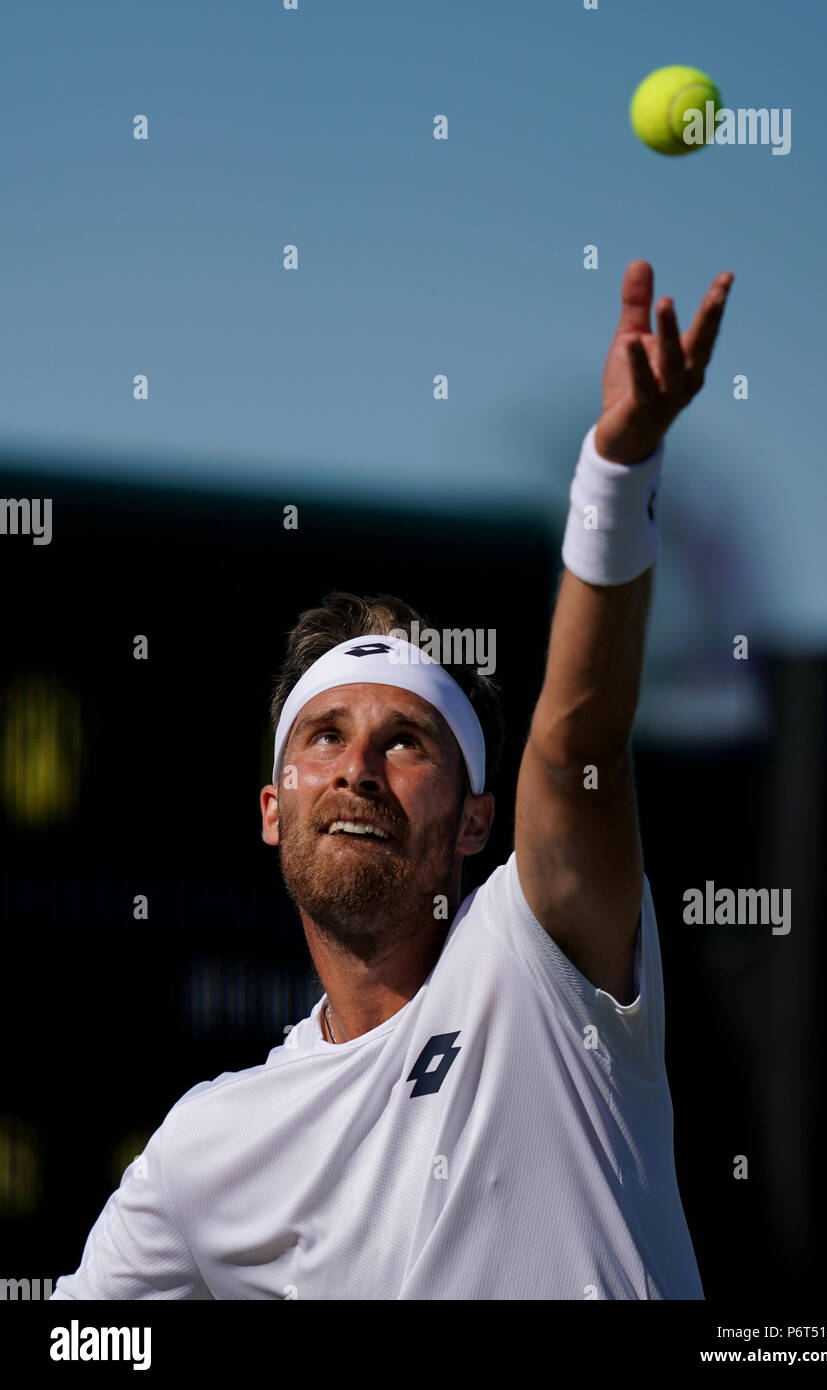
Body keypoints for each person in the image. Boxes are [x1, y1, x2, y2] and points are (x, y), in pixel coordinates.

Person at [52, 259, 733, 1300]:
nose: (359, 768)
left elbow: (576, 734)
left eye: (408, 742)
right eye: (323, 735)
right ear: (273, 813)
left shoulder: (538, 953)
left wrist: (617, 471)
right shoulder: (207, 1147)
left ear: (475, 823)